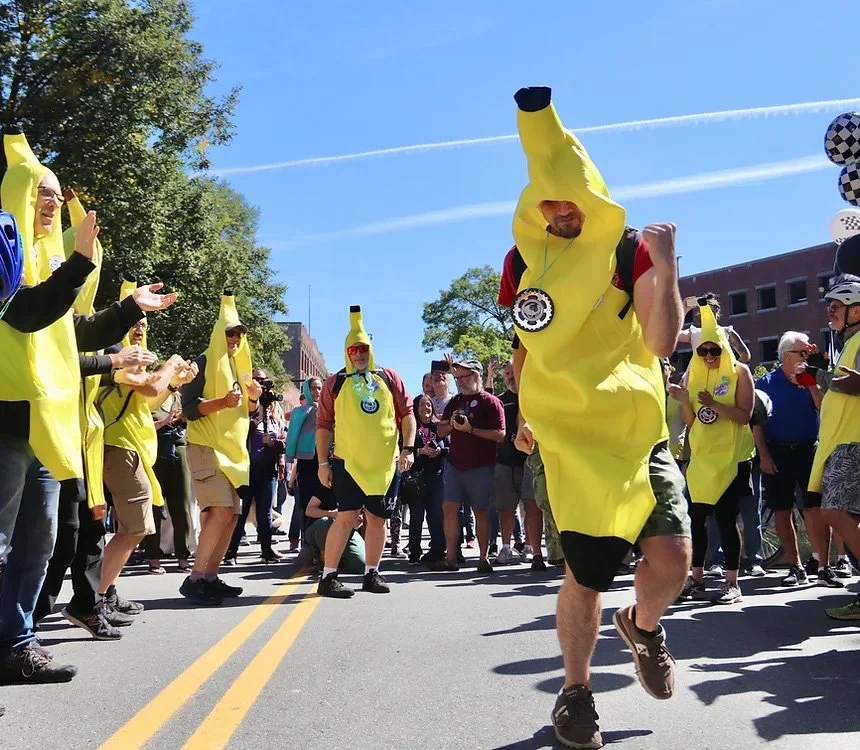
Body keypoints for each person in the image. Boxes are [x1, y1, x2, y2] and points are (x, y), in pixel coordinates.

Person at [503, 87, 689, 749]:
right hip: (569, 441)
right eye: (547, 200)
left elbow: (661, 342)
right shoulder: (522, 262)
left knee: (674, 560)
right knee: (585, 575)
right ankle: (576, 694)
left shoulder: (628, 250)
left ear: (590, 194)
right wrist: (524, 415)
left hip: (636, 433)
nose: (559, 211)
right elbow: (525, 349)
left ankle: (642, 626)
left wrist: (667, 269)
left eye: (569, 198)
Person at [0, 131, 177, 684]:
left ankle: (15, 645)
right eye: (42, 193)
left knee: (39, 542)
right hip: (8, 421)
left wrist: (130, 309)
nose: (52, 203)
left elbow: (72, 334)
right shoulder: (5, 254)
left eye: (57, 195)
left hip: (49, 429)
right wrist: (78, 263)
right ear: (17, 193)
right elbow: (27, 312)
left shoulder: (51, 265)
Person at [97, 284, 197, 613]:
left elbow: (148, 400)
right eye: (133, 322)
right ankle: (93, 597)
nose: (139, 328)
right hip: (119, 447)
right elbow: (151, 388)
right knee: (135, 527)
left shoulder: (130, 358)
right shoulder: (115, 352)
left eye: (143, 323)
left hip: (130, 448)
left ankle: (105, 592)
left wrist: (175, 381)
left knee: (133, 527)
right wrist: (171, 366)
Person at [315, 305, 416, 598]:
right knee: (346, 517)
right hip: (348, 463)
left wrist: (408, 449)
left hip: (384, 464)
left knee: (378, 518)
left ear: (370, 349)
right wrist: (322, 463)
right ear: (347, 352)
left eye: (363, 349)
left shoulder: (389, 377)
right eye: (353, 350)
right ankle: (328, 577)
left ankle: (372, 573)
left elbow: (407, 414)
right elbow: (323, 425)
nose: (359, 354)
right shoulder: (335, 382)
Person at [180, 292, 263, 606]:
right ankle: (195, 579)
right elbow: (189, 408)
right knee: (220, 513)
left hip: (233, 454)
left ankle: (210, 578)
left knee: (231, 518)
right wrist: (223, 402)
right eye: (230, 333)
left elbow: (246, 411)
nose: (235, 338)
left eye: (239, 334)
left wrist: (253, 398)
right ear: (219, 334)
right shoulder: (202, 362)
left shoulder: (240, 367)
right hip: (206, 448)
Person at [671, 301, 755, 605]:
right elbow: (692, 421)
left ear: (723, 348)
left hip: (732, 458)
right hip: (702, 459)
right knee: (696, 520)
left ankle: (732, 583)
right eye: (703, 351)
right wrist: (685, 400)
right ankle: (696, 579)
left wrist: (714, 404)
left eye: (714, 350)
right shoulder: (691, 376)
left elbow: (744, 416)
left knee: (726, 518)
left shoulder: (740, 371)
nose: (708, 356)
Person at [795, 276, 860, 619]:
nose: (829, 312)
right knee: (843, 514)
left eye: (835, 307)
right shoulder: (849, 342)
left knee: (834, 511)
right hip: (840, 442)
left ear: (856, 311)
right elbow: (841, 385)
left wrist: (819, 375)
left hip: (853, 441)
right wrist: (820, 373)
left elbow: (851, 384)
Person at [755, 331, 827, 587]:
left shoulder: (811, 378)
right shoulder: (765, 383)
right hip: (777, 452)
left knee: (815, 509)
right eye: (802, 352)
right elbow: (756, 424)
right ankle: (796, 567)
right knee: (782, 510)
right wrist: (764, 455)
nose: (806, 356)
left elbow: (823, 409)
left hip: (809, 450)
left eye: (808, 352)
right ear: (786, 356)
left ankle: (823, 565)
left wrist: (811, 384)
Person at [435, 360, 505, 573]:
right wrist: (451, 423)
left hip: (481, 466)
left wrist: (471, 430)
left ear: (476, 376)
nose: (460, 382)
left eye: (464, 377)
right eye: (457, 378)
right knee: (449, 509)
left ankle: (484, 558)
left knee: (481, 511)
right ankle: (450, 558)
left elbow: (500, 435)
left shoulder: (491, 402)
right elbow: (441, 431)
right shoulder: (455, 401)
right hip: (455, 465)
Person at [225, 368, 286, 564]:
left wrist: (274, 443)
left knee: (265, 511)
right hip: (247, 467)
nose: (260, 384)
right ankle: (231, 552)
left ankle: (266, 550)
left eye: (263, 380)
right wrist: (257, 414)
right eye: (256, 379)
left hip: (268, 468)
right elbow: (237, 433)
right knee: (242, 511)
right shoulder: (245, 408)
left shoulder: (275, 413)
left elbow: (284, 440)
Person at [402, 394, 448, 564]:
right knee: (416, 515)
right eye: (421, 405)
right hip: (416, 477)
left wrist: (440, 451)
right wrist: (419, 451)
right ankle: (414, 552)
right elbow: (402, 448)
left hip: (436, 476)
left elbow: (450, 447)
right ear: (416, 407)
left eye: (428, 404)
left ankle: (437, 550)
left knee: (436, 514)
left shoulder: (439, 426)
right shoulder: (411, 426)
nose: (425, 408)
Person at [285, 377, 330, 543]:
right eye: (313, 388)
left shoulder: (328, 410)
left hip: (325, 459)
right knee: (305, 503)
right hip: (307, 460)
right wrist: (289, 458)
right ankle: (307, 543)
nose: (317, 392)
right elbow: (292, 435)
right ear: (306, 390)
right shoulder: (300, 412)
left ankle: (320, 543)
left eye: (319, 388)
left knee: (323, 502)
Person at [677, 293, 751, 364]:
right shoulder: (693, 333)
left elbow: (745, 355)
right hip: (698, 372)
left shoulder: (727, 331)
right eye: (705, 311)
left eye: (711, 311)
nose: (708, 314)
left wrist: (732, 369)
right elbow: (674, 334)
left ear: (716, 312)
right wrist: (684, 310)